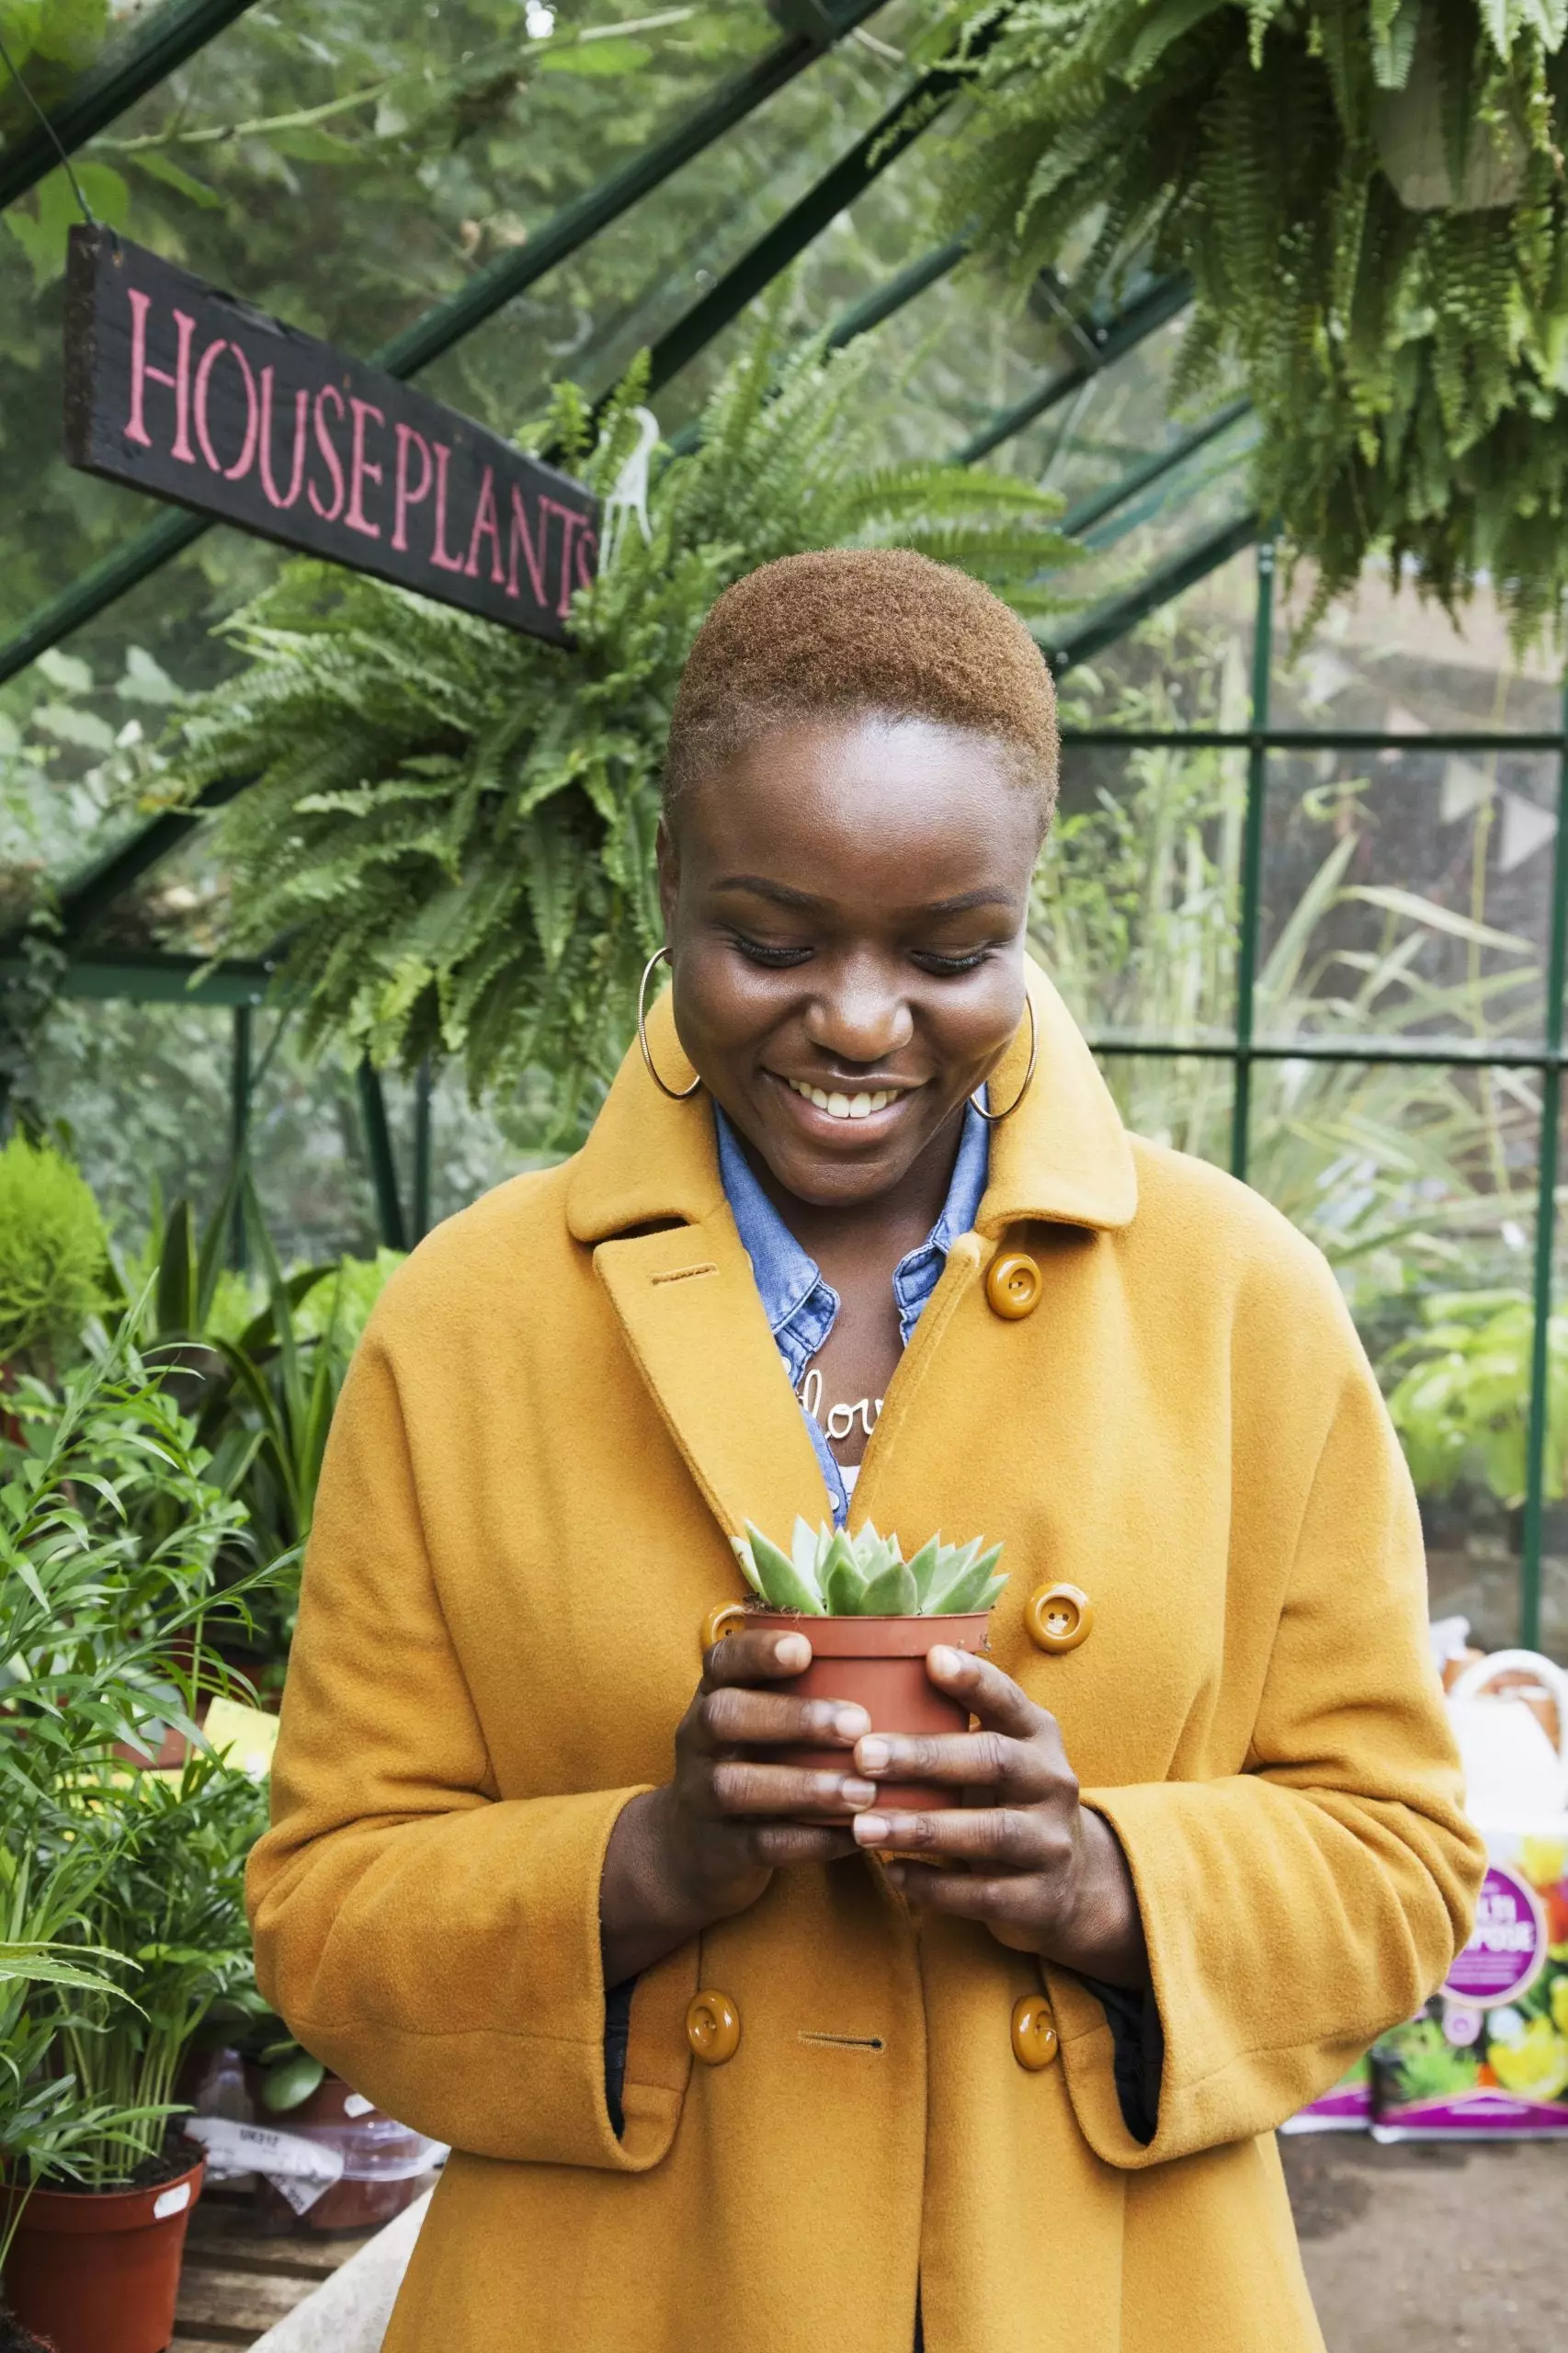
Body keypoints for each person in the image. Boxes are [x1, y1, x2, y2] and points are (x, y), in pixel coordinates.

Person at [248, 549, 1483, 2353]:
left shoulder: (1238, 1302)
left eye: (950, 949)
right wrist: (650, 1858)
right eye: (770, 937)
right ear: (664, 883)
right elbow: (328, 1895)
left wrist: (1108, 1878)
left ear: (1027, 912)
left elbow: (1398, 1853)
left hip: (1105, 2293)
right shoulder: (475, 1320)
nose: (855, 1016)